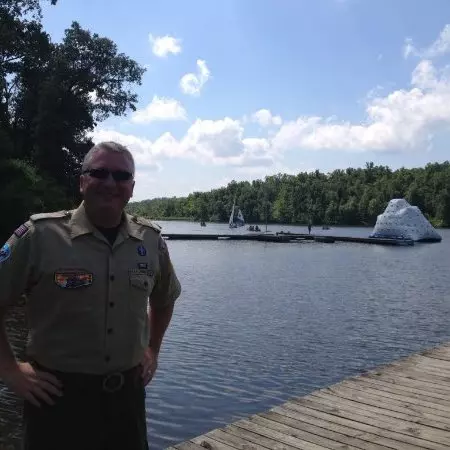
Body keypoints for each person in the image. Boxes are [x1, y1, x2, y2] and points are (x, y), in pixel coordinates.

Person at [0, 141, 182, 450]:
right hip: (56, 398)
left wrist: (152, 349)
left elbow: (165, 299)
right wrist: (10, 370)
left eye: (121, 176)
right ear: (83, 181)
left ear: (132, 187)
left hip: (126, 398)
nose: (111, 183)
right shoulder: (40, 235)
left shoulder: (150, 240)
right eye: (100, 173)